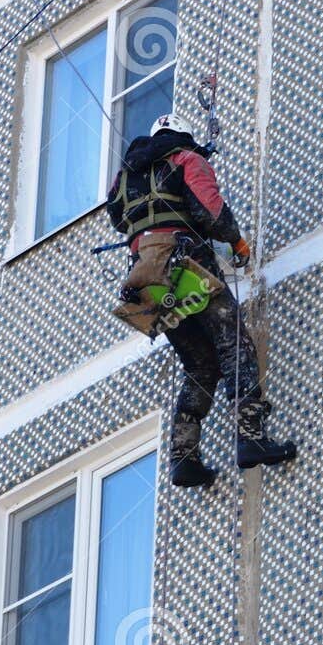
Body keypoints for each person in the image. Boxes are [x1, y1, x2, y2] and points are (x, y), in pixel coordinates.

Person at [107, 112, 297, 487]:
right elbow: (210, 212)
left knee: (200, 365)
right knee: (234, 345)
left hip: (148, 284)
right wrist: (236, 242)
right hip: (187, 266)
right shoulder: (186, 159)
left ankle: (184, 458)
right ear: (184, 136)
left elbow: (117, 218)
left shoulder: (124, 178)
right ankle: (251, 438)